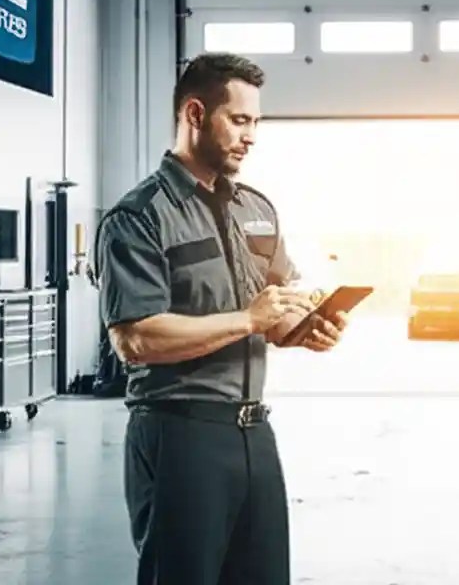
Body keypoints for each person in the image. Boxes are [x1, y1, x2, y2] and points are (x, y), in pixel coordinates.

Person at [94, 52, 349, 584]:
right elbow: (135, 339)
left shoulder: (257, 210)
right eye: (238, 120)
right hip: (179, 432)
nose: (250, 136)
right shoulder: (139, 216)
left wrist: (306, 328)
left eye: (256, 122)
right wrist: (249, 321)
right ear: (195, 114)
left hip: (255, 433)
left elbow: (273, 313)